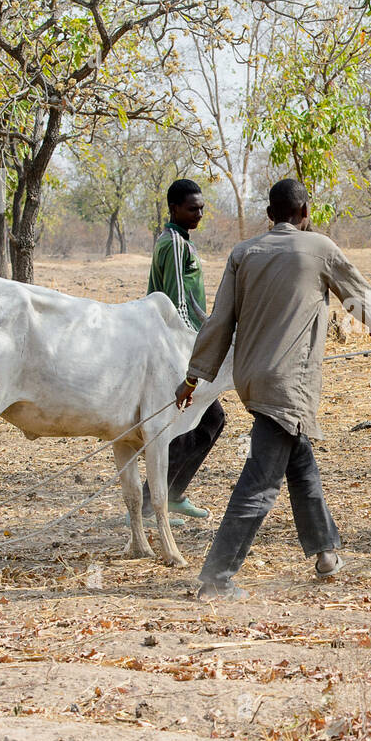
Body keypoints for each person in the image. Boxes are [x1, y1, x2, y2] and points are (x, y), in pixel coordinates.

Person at [177, 179, 371, 601]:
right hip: (287, 383)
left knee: (300, 462)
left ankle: (326, 553)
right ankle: (216, 578)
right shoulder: (319, 248)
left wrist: (193, 376)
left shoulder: (244, 253)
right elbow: (359, 293)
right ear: (305, 211)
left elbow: (218, 321)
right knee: (260, 482)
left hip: (251, 379)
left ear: (269, 214)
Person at [143, 178, 225, 519]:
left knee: (202, 421)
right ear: (173, 208)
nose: (199, 214)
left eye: (202, 208)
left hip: (180, 345)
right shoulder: (175, 244)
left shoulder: (177, 240)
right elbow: (176, 304)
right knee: (207, 419)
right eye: (193, 208)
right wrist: (190, 360)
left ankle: (166, 495)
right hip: (177, 347)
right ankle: (158, 499)